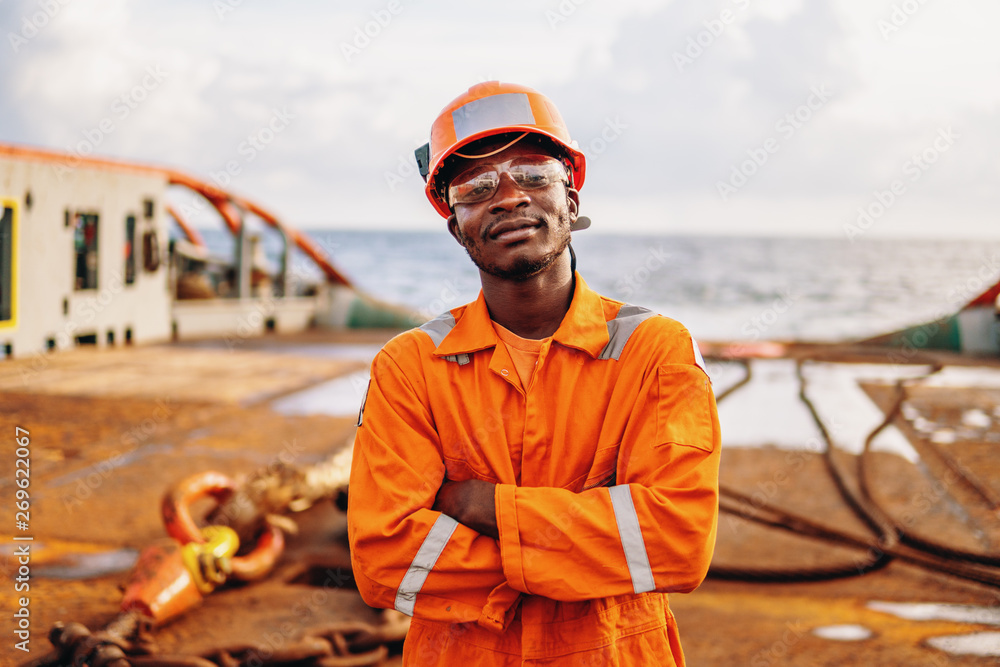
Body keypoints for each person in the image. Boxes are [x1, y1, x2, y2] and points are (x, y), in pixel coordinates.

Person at [348, 81, 721, 666]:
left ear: (570, 199)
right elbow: (385, 561)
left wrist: (480, 507)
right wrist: (584, 546)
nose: (507, 196)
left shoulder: (653, 350)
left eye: (533, 173)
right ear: (456, 224)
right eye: (476, 187)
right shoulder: (410, 367)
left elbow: (677, 543)